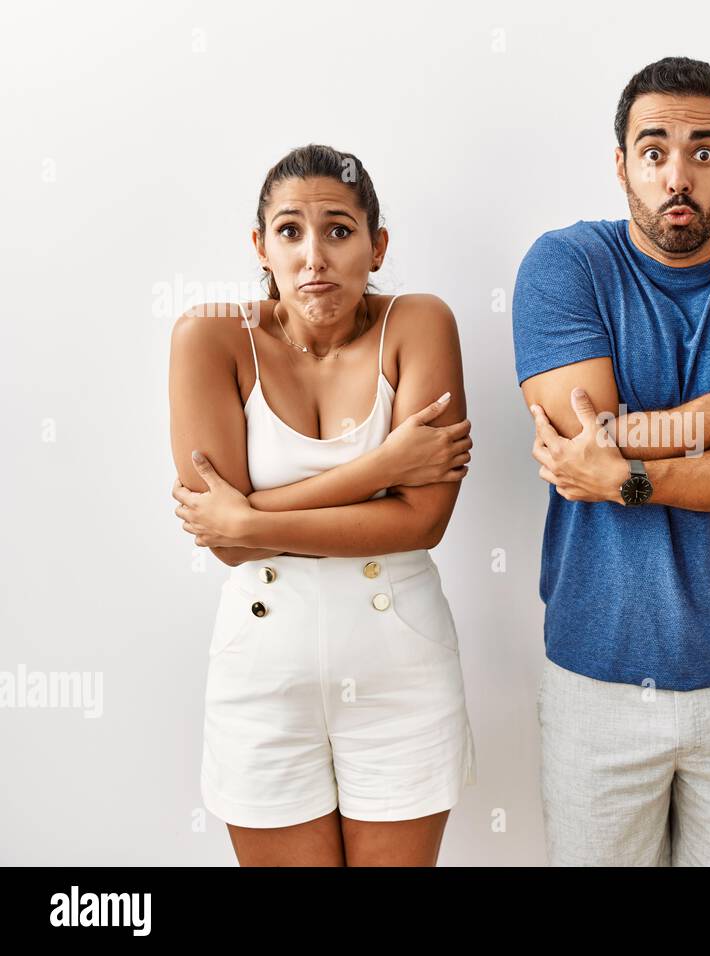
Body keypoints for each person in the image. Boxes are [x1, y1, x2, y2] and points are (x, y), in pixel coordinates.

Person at [512, 57, 710, 865]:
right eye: (653, 151)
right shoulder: (563, 267)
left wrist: (624, 478)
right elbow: (599, 433)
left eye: (704, 150)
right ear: (621, 164)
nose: (678, 175)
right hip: (598, 676)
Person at [168, 144, 475, 866]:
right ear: (260, 246)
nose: (314, 256)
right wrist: (381, 468)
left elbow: (422, 520)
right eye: (290, 232)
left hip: (401, 662)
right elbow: (228, 543)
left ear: (377, 245)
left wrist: (251, 515)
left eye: (339, 230)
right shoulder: (208, 336)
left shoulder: (420, 321)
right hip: (261, 671)